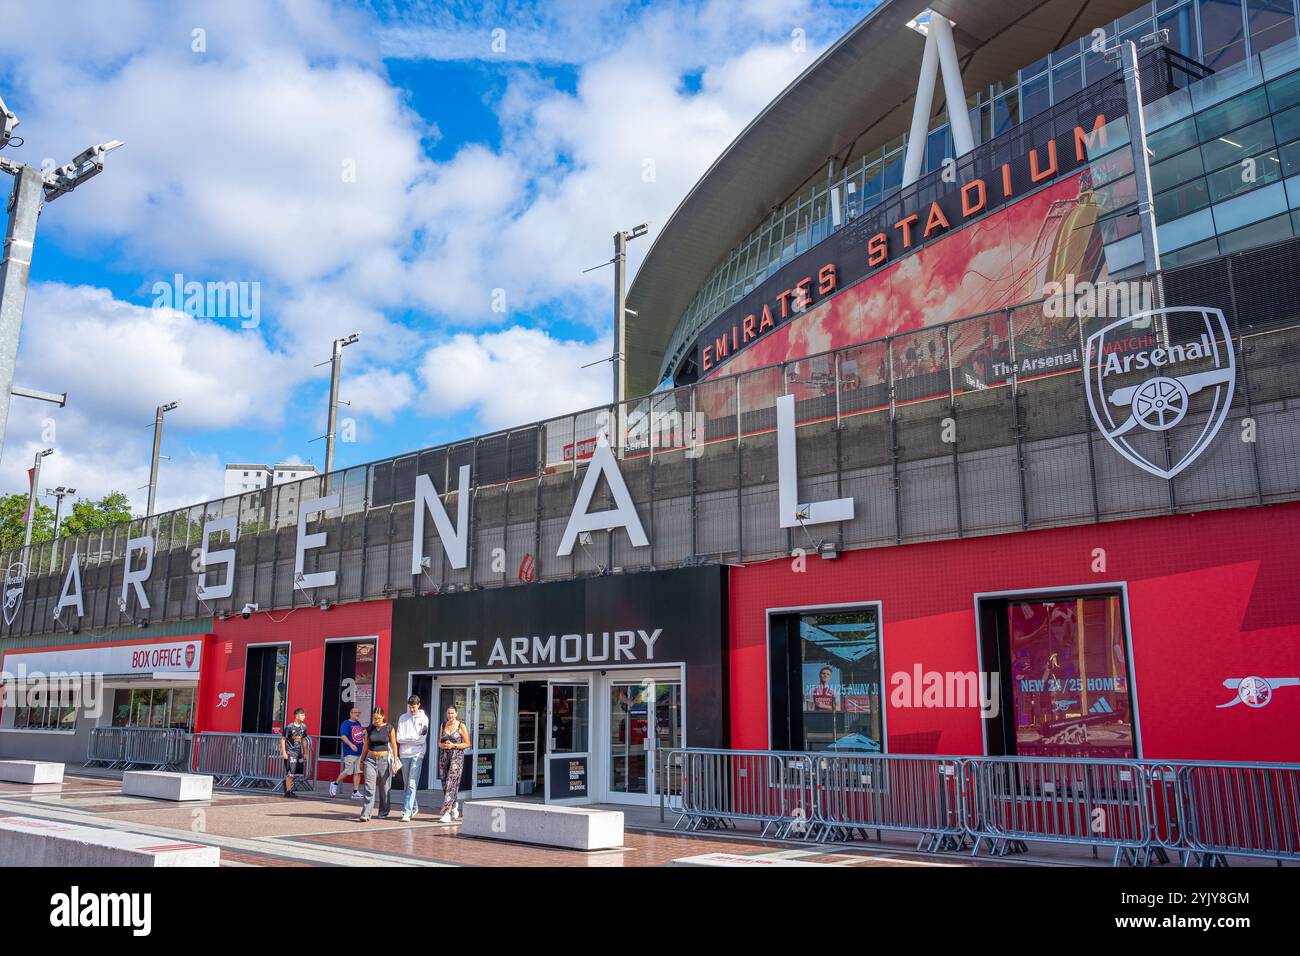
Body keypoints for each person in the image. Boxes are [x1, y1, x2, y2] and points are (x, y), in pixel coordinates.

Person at [356, 706, 400, 822]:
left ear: (383, 717)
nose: (376, 721)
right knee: (369, 787)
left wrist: (395, 761)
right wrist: (361, 760)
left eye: (378, 719)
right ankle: (366, 813)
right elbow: (366, 745)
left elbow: (394, 745)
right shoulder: (370, 728)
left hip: (384, 760)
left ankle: (383, 811)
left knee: (384, 788)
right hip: (370, 759)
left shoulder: (389, 728)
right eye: (374, 719)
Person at [396, 694, 430, 822]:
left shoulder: (424, 719)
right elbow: (399, 738)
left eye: (414, 707)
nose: (411, 710)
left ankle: (407, 812)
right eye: (410, 707)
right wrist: (412, 739)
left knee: (411, 783)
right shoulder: (402, 718)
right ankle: (414, 806)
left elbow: (421, 739)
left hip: (417, 754)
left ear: (418, 705)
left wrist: (408, 739)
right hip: (404, 754)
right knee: (406, 784)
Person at [437, 704, 470, 823]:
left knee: (451, 782)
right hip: (444, 757)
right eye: (448, 713)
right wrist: (443, 745)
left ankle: (446, 812)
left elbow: (467, 743)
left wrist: (454, 745)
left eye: (452, 713)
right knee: (445, 783)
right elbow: (439, 743)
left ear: (456, 714)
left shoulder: (461, 726)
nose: (450, 715)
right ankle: (454, 803)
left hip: (457, 758)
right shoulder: (443, 724)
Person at [330, 706, 364, 800]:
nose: (357, 714)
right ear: (351, 714)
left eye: (359, 712)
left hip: (359, 752)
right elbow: (343, 736)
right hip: (350, 752)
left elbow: (359, 736)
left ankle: (355, 792)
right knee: (348, 771)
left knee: (358, 771)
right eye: (355, 712)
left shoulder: (358, 723)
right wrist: (351, 745)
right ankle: (335, 783)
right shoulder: (346, 723)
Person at [280, 707, 308, 799]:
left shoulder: (304, 727)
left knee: (296, 773)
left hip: (298, 752)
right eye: (302, 715)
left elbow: (304, 740)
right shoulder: (289, 727)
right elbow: (283, 740)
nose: (304, 716)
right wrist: (284, 752)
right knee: (290, 773)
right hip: (290, 752)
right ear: (296, 716)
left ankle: (286, 783)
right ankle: (288, 791)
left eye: (304, 714)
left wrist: (305, 753)